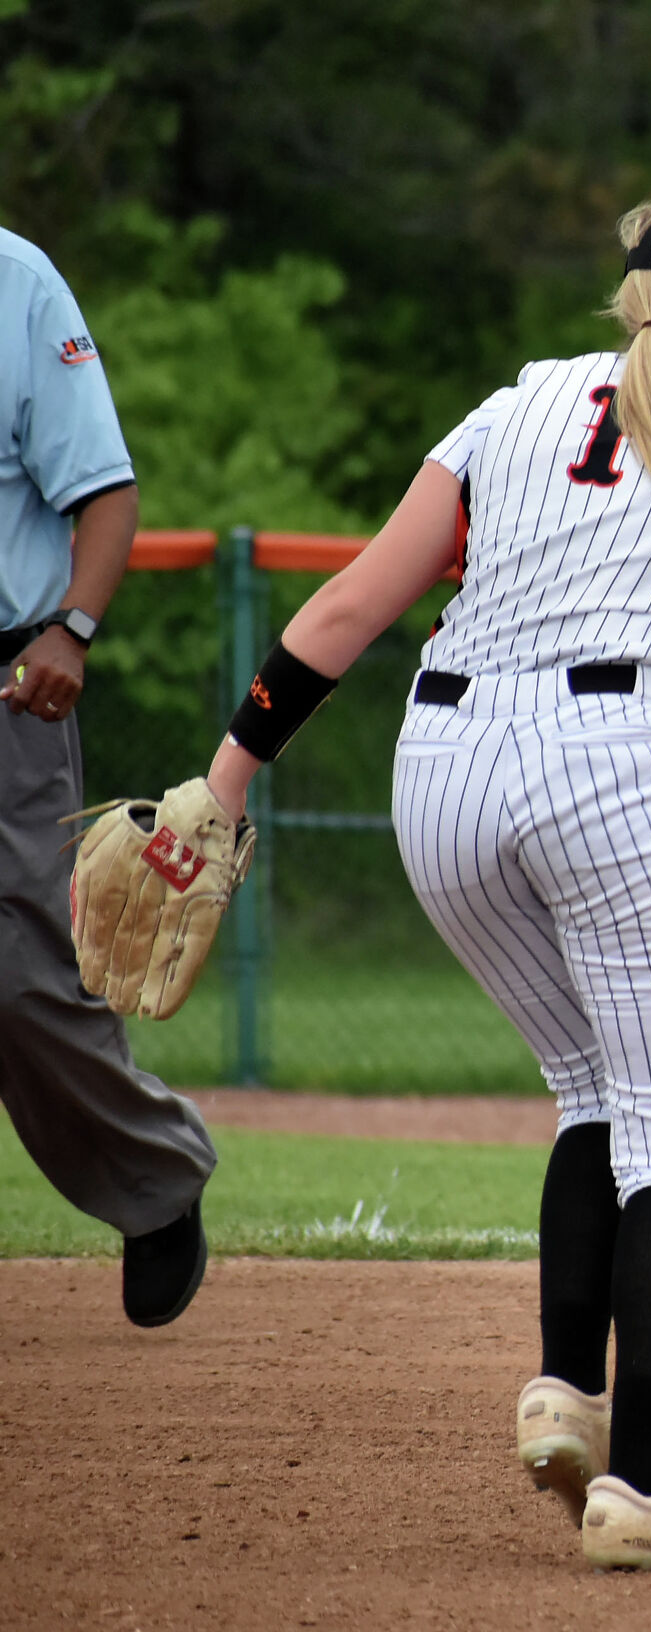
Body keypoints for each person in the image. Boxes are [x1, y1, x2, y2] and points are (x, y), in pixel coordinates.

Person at [201, 185, 651, 1564]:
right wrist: (610, 761)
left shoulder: (517, 401)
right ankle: (644, 1497)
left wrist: (226, 782)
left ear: (631, 300)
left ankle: (570, 1393)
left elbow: (356, 606)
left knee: (591, 1087)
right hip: (618, 746)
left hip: (441, 767)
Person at [0, 226, 216, 1328]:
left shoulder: (18, 282)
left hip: (7, 690)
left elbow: (106, 492)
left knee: (26, 980)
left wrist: (72, 630)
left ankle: (152, 1182)